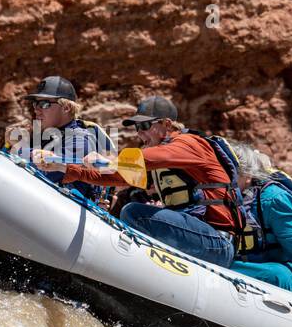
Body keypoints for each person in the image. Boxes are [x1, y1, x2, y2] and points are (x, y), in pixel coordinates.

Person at [44, 96, 238, 267]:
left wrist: (110, 161)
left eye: (145, 126)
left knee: (134, 212)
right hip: (195, 235)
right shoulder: (161, 155)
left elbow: (146, 158)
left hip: (218, 244)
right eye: (137, 127)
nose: (139, 133)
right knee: (129, 209)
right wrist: (63, 167)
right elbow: (112, 178)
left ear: (167, 124)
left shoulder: (189, 144)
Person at [229, 145, 292, 301]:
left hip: (276, 273)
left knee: (278, 275)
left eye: (230, 172)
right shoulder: (216, 196)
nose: (222, 177)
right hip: (237, 269)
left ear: (247, 175)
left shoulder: (274, 198)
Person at [11, 76, 116, 203]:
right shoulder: (43, 136)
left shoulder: (80, 139)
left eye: (44, 104)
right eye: (35, 104)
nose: (36, 110)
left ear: (66, 108)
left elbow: (46, 175)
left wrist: (21, 149)